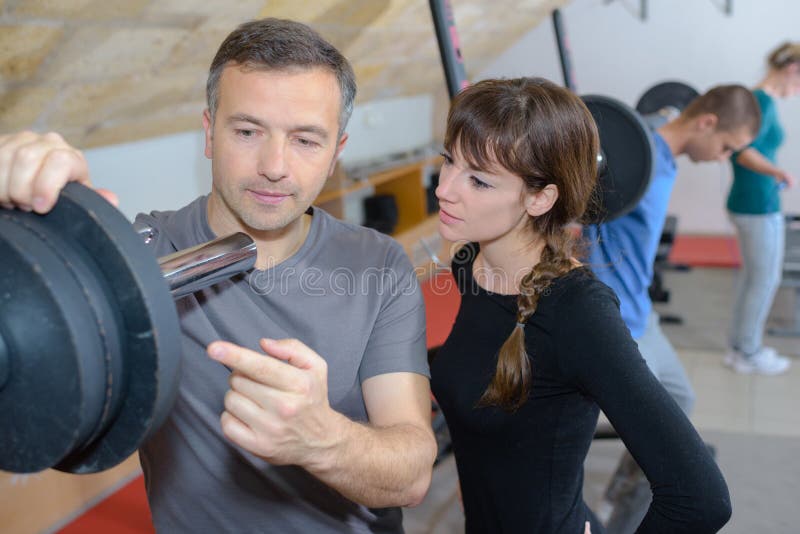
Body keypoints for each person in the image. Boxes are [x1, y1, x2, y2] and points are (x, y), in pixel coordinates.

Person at [0, 18, 437, 532]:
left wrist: (322, 439)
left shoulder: (379, 266)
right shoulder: (145, 256)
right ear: (209, 133)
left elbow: (410, 470)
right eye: (248, 131)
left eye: (305, 140)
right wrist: (26, 205)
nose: (274, 165)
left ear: (336, 152)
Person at [428, 77, 732, 534]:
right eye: (448, 161)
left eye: (478, 180)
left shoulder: (577, 312)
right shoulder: (470, 263)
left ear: (540, 198)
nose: (444, 189)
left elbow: (701, 499)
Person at [582, 85, 760, 531]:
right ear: (705, 122)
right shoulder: (637, 155)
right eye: (725, 148)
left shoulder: (654, 146)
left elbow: (659, 114)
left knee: (682, 397)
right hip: (617, 318)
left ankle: (624, 489)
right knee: (657, 426)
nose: (722, 159)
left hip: (643, 311)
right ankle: (599, 509)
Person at [724, 41, 800, 376]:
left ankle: (739, 347)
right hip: (757, 203)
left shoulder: (758, 99)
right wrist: (777, 171)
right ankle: (749, 352)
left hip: (753, 200)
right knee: (765, 279)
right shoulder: (762, 100)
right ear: (792, 69)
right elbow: (741, 151)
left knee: (755, 278)